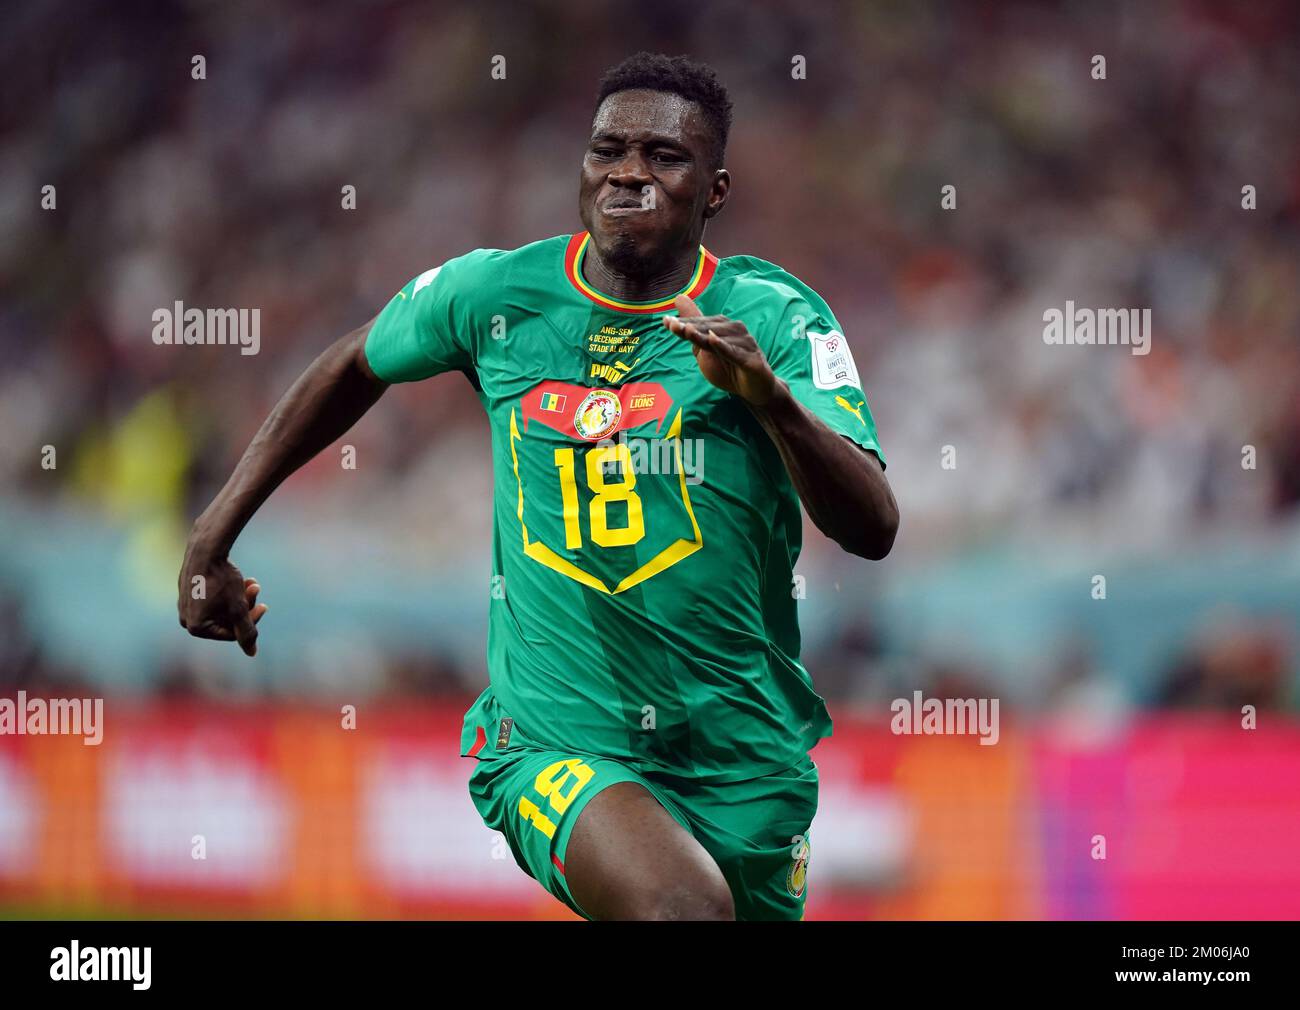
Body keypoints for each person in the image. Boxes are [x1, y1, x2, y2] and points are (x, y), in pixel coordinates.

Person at [178, 52, 898, 920]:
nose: (629, 172)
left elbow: (873, 525)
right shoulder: (499, 294)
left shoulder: (777, 318)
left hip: (742, 756)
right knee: (679, 911)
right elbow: (351, 364)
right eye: (607, 150)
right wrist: (210, 537)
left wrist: (771, 402)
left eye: (664, 157)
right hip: (557, 742)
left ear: (714, 190)